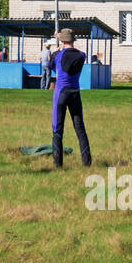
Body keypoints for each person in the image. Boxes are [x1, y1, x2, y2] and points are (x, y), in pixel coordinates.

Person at [50, 28, 93, 168]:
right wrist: (62, 40)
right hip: (75, 93)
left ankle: (58, 164)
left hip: (61, 93)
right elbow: (71, 52)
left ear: (62, 41)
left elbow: (49, 65)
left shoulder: (57, 55)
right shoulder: (82, 55)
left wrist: (56, 50)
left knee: (58, 129)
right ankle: (87, 163)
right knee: (80, 129)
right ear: (73, 40)